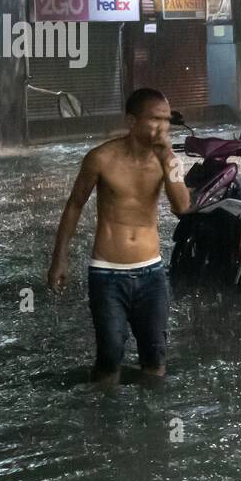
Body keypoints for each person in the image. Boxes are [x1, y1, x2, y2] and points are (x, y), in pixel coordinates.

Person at [48, 88, 190, 391]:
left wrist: (168, 161)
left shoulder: (170, 160)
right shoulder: (100, 158)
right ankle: (104, 422)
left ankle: (151, 427)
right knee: (110, 355)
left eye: (166, 120)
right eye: (154, 119)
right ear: (132, 120)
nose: (161, 127)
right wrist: (60, 258)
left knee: (155, 356)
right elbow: (74, 205)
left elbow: (183, 208)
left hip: (151, 273)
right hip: (107, 273)